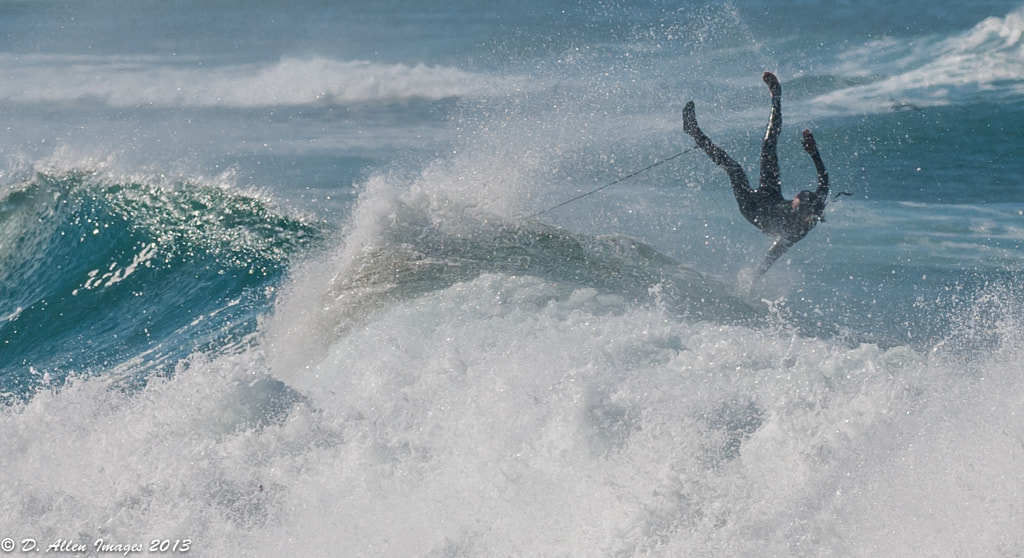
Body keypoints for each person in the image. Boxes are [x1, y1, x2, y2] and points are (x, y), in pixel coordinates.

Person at [682, 71, 829, 277]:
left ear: (798, 212)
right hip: (771, 196)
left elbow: (771, 257)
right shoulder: (816, 202)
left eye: (795, 202)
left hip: (753, 208)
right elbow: (824, 182)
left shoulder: (794, 232)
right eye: (796, 197)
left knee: (735, 169)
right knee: (769, 145)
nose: (794, 198)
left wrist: (753, 279)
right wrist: (814, 153)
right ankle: (776, 97)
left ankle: (692, 131)